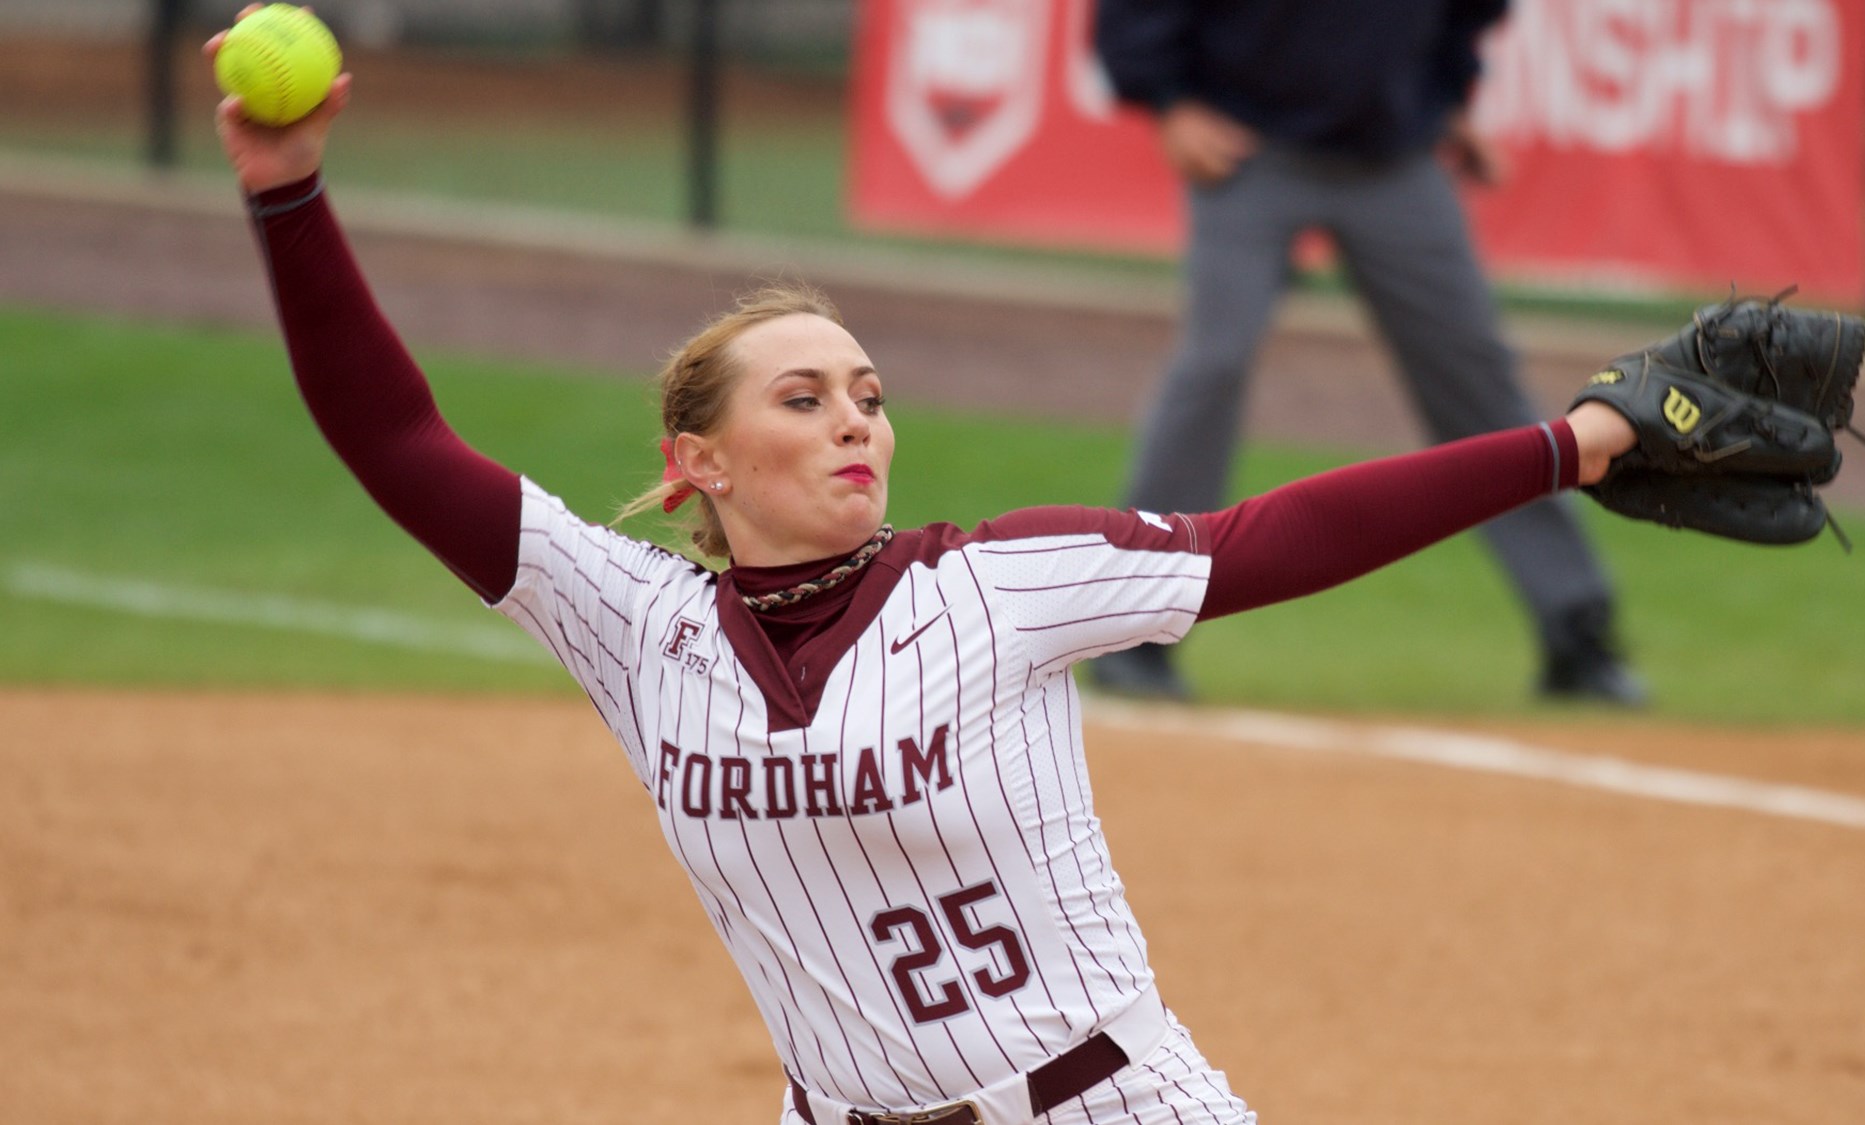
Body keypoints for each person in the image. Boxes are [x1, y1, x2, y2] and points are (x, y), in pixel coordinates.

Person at [208, 16, 1643, 1125]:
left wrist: (1566, 445)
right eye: (803, 398)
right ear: (697, 462)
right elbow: (394, 438)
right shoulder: (636, 628)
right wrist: (287, 195)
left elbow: (1271, 538)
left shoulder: (999, 585)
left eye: (869, 395)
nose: (855, 420)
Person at [1088, 0, 1647, 706]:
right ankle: (1135, 631)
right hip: (1248, 149)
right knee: (1214, 364)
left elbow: (1463, 14)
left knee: (1476, 377)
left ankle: (1578, 629)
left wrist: (1447, 98)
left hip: (1394, 160)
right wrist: (1169, 103)